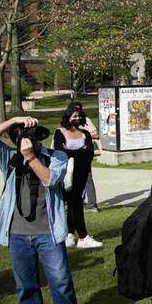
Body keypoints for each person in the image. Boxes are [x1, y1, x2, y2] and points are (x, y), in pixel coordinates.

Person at [0, 115, 83, 304]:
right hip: (17, 232)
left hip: (48, 232)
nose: (27, 139)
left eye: (31, 135)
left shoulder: (56, 156)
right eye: (21, 135)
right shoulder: (9, 157)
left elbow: (50, 179)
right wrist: (13, 120)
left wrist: (31, 158)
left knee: (61, 283)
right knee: (25, 284)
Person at [54, 102, 102, 249]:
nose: (77, 118)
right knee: (74, 204)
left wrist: (73, 153)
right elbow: (60, 152)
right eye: (74, 115)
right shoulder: (60, 132)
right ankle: (81, 236)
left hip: (81, 173)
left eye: (79, 115)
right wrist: (79, 152)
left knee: (76, 203)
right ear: (68, 116)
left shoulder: (85, 133)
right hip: (66, 174)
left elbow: (89, 153)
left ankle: (72, 234)